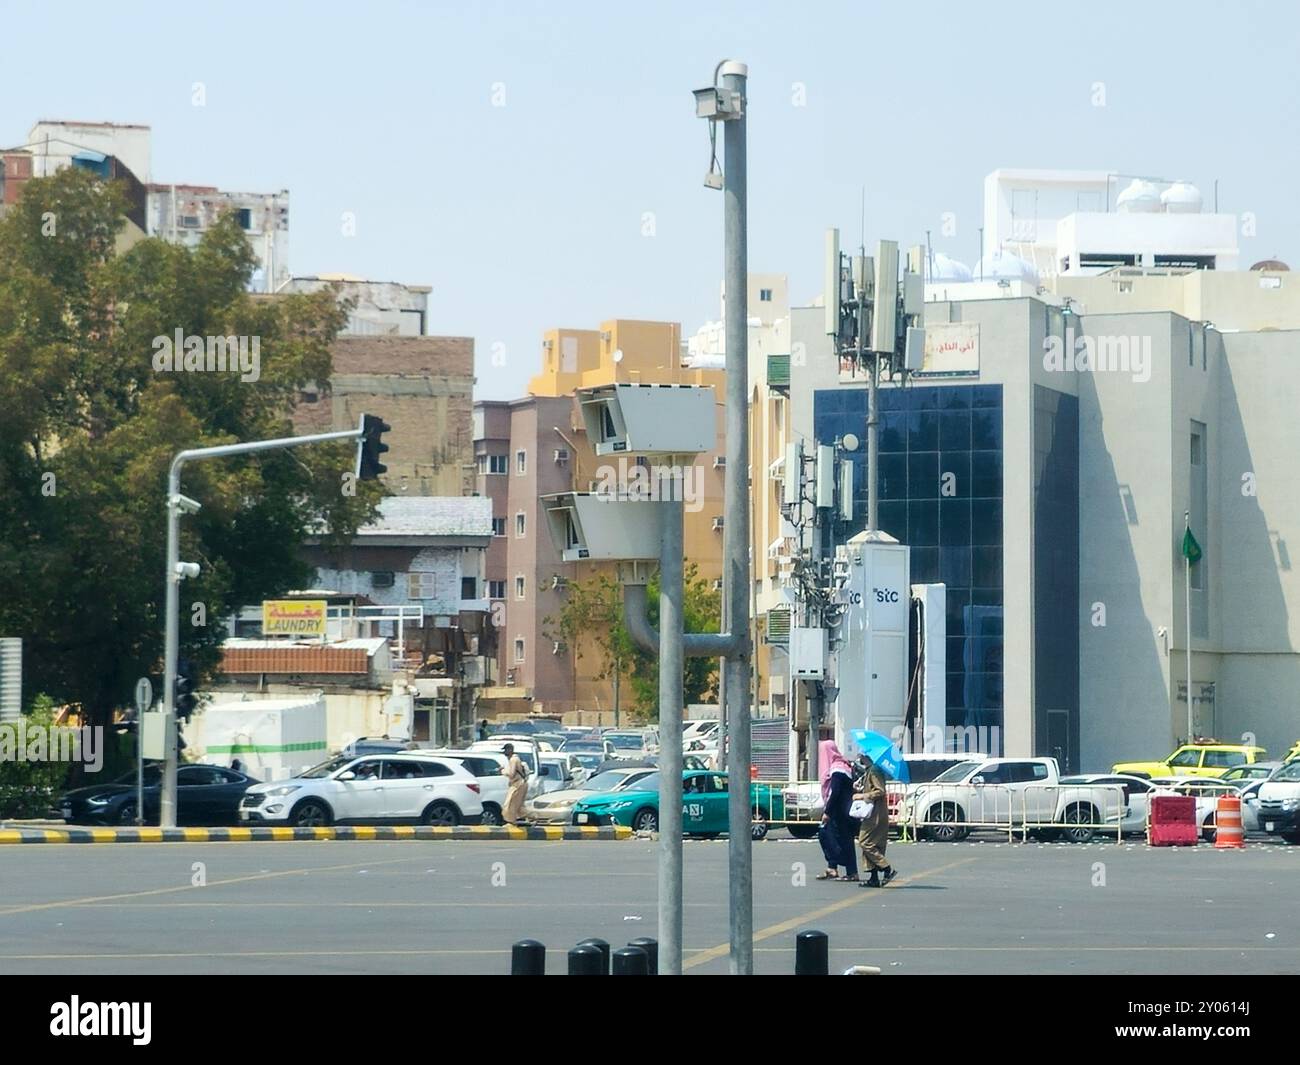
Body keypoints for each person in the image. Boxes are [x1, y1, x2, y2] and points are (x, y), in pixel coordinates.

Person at [815, 740, 859, 882]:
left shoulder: (837, 768)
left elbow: (835, 791)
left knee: (841, 839)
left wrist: (827, 811)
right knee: (832, 836)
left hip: (839, 811)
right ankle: (832, 868)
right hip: (843, 809)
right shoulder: (843, 765)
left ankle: (851, 872)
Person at [855, 753, 897, 887]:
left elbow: (880, 791)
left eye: (860, 755)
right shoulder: (869, 770)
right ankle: (873, 876)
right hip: (871, 812)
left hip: (876, 813)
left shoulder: (874, 770)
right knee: (872, 843)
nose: (858, 758)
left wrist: (862, 796)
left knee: (865, 841)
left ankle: (887, 868)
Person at [502, 743, 529, 825]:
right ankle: (534, 817)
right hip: (520, 783)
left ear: (510, 750)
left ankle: (511, 822)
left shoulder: (513, 759)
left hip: (518, 784)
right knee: (519, 806)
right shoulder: (515, 759)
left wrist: (503, 771)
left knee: (509, 804)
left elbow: (512, 774)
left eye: (506, 750)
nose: (505, 752)